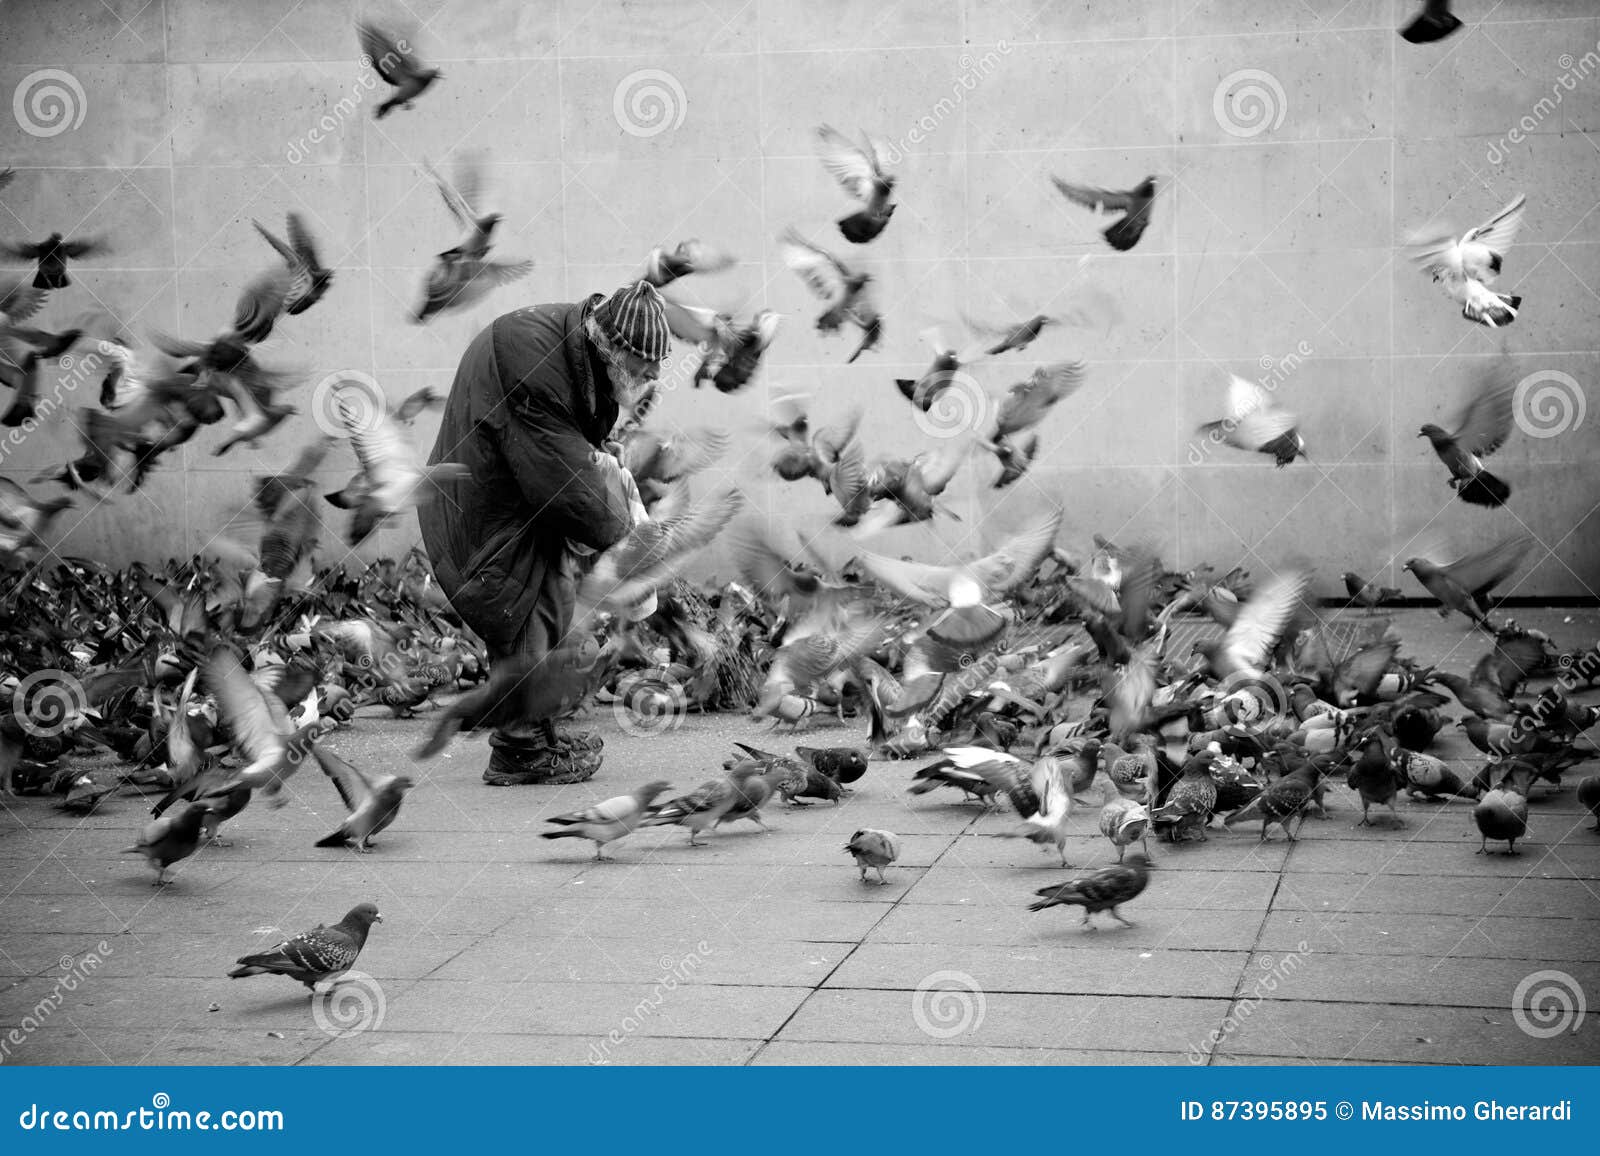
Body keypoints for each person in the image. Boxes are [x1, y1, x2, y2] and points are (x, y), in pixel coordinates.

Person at [418, 280, 668, 785]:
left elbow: (565, 446)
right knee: (521, 607)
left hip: (513, 489)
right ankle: (519, 750)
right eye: (645, 366)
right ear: (615, 348)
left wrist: (600, 460)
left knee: (551, 593)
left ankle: (538, 733)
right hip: (483, 504)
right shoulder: (534, 363)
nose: (655, 377)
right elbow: (567, 482)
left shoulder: (583, 353)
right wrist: (629, 541)